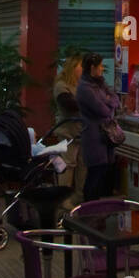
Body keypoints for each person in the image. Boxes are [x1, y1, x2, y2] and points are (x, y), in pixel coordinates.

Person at [76, 53, 120, 201]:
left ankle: (98, 211)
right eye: (100, 66)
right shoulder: (84, 89)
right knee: (95, 174)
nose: (102, 68)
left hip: (105, 137)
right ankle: (89, 209)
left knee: (103, 173)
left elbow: (114, 98)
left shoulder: (100, 83)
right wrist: (108, 102)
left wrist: (109, 101)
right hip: (94, 138)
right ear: (92, 68)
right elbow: (103, 110)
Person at [52, 54, 84, 197]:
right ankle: (63, 199)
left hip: (83, 133)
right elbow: (69, 105)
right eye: (81, 66)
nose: (83, 69)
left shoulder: (82, 85)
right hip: (67, 132)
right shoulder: (61, 85)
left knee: (83, 166)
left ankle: (80, 197)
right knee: (68, 164)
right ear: (73, 68)